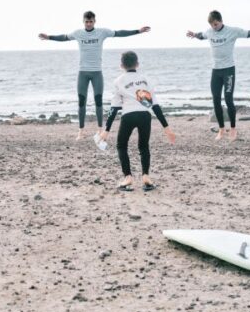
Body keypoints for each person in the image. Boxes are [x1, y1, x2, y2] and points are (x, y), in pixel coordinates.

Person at [39, 11, 150, 140]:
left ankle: (99, 130)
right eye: (86, 22)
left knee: (98, 101)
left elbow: (119, 33)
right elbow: (64, 37)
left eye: (91, 21)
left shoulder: (102, 32)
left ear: (94, 21)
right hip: (83, 72)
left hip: (97, 72)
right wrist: (49, 37)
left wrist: (138, 31)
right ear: (83, 22)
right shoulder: (78, 33)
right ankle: (81, 131)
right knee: (82, 101)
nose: (89, 24)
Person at [187, 11, 250, 141]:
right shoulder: (209, 32)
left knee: (228, 99)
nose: (214, 27)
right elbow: (201, 35)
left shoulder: (232, 31)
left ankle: (233, 128)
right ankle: (221, 129)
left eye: (216, 24)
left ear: (221, 21)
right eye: (212, 25)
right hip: (216, 71)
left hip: (228, 70)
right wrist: (194, 35)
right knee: (216, 100)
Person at [99, 51, 175, 191]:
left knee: (121, 146)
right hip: (145, 115)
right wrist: (167, 128)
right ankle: (146, 176)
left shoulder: (118, 81)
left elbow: (114, 108)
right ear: (137, 64)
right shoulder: (146, 79)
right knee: (144, 146)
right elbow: (155, 105)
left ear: (121, 65)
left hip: (128, 115)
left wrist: (106, 130)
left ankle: (128, 177)